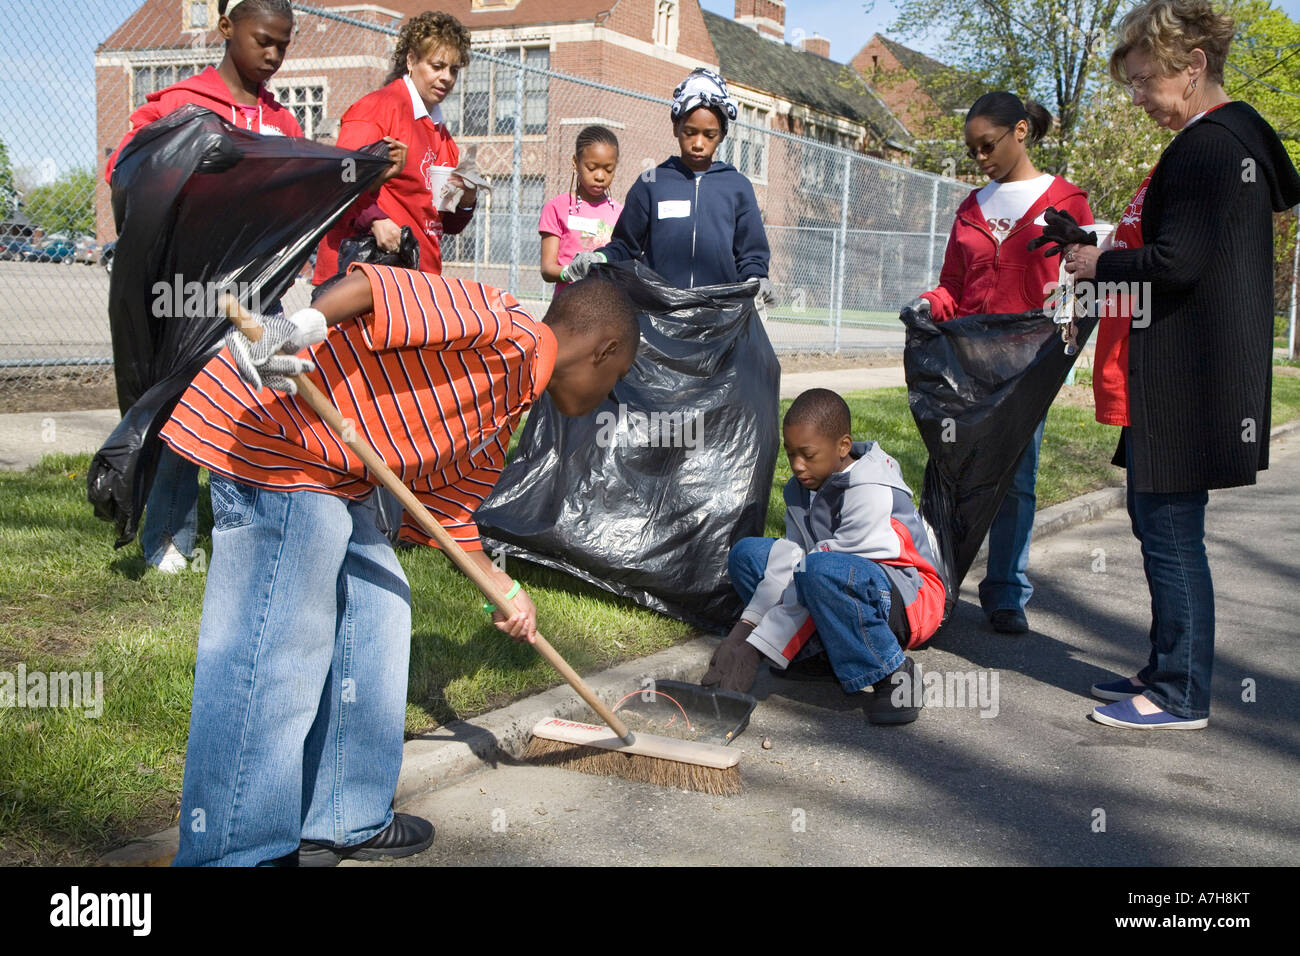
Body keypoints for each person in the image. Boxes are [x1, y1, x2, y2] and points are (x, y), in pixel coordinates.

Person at [157, 266, 638, 866]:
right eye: (615, 378)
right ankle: (237, 850)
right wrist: (298, 328)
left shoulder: (504, 411)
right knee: (277, 646)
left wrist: (503, 586)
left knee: (381, 607)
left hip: (337, 472)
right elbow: (380, 290)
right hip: (274, 432)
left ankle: (342, 815)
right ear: (605, 348)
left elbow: (450, 514)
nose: (607, 394)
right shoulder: (501, 322)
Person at [1062, 0, 1300, 730]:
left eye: (1144, 82)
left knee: (1169, 532)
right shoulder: (1227, 140)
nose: (1137, 99)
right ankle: (1168, 668)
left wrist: (1099, 260)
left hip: (1184, 381)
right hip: (1184, 374)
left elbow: (1179, 260)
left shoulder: (1208, 145)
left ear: (1192, 67)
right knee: (1157, 521)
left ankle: (1181, 694)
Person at [103, 0, 309, 573]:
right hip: (191, 290)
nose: (273, 54)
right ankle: (168, 536)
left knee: (252, 402)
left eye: (283, 45)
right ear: (226, 29)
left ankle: (244, 530)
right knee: (185, 403)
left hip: (257, 289)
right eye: (263, 40)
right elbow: (126, 170)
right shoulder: (181, 105)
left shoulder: (282, 122)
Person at [911, 92, 1094, 635]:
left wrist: (1067, 318)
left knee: (1015, 477)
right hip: (964, 364)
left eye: (987, 145)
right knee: (949, 470)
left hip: (1026, 367)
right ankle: (931, 583)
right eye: (972, 151)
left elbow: (1083, 286)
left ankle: (1006, 594)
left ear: (1021, 132)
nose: (981, 158)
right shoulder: (972, 206)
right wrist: (926, 305)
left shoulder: (1066, 201)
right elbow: (953, 288)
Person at [701, 389, 946, 725]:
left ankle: (893, 671)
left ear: (842, 447)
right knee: (748, 555)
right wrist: (742, 631)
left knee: (821, 571)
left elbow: (810, 572)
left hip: (910, 600)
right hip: (834, 578)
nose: (797, 466)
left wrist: (756, 646)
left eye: (808, 454)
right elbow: (790, 561)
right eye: (790, 455)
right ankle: (818, 655)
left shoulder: (871, 490)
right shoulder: (800, 489)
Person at [560, 68, 772, 303]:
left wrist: (757, 278)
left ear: (722, 134)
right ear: (676, 128)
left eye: (709, 135)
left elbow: (751, 253)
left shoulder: (737, 187)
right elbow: (624, 246)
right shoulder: (652, 183)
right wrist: (599, 257)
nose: (699, 143)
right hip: (657, 310)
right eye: (690, 132)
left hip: (719, 314)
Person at [312, 10, 476, 287]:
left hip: (419, 278)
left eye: (454, 70)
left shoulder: (444, 138)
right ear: (411, 60)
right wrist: (374, 219)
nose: (447, 77)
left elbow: (446, 224)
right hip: (362, 275)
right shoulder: (377, 109)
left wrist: (469, 197)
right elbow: (341, 176)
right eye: (437, 66)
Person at [539, 125, 622, 288]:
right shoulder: (557, 208)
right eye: (591, 168)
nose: (600, 176)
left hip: (609, 305)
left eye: (608, 169)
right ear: (576, 163)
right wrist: (570, 272)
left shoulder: (621, 213)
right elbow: (547, 269)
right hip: (569, 305)